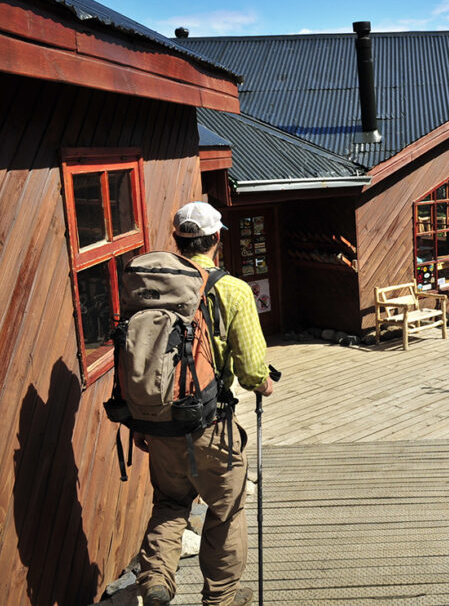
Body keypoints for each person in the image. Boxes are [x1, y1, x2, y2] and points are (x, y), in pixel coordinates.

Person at [137, 201, 275, 606]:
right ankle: (221, 599)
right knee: (225, 510)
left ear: (178, 241)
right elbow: (252, 370)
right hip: (212, 426)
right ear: (216, 240)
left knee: (170, 502)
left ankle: (156, 582)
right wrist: (264, 385)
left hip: (158, 423)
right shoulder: (231, 290)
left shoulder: (151, 286)